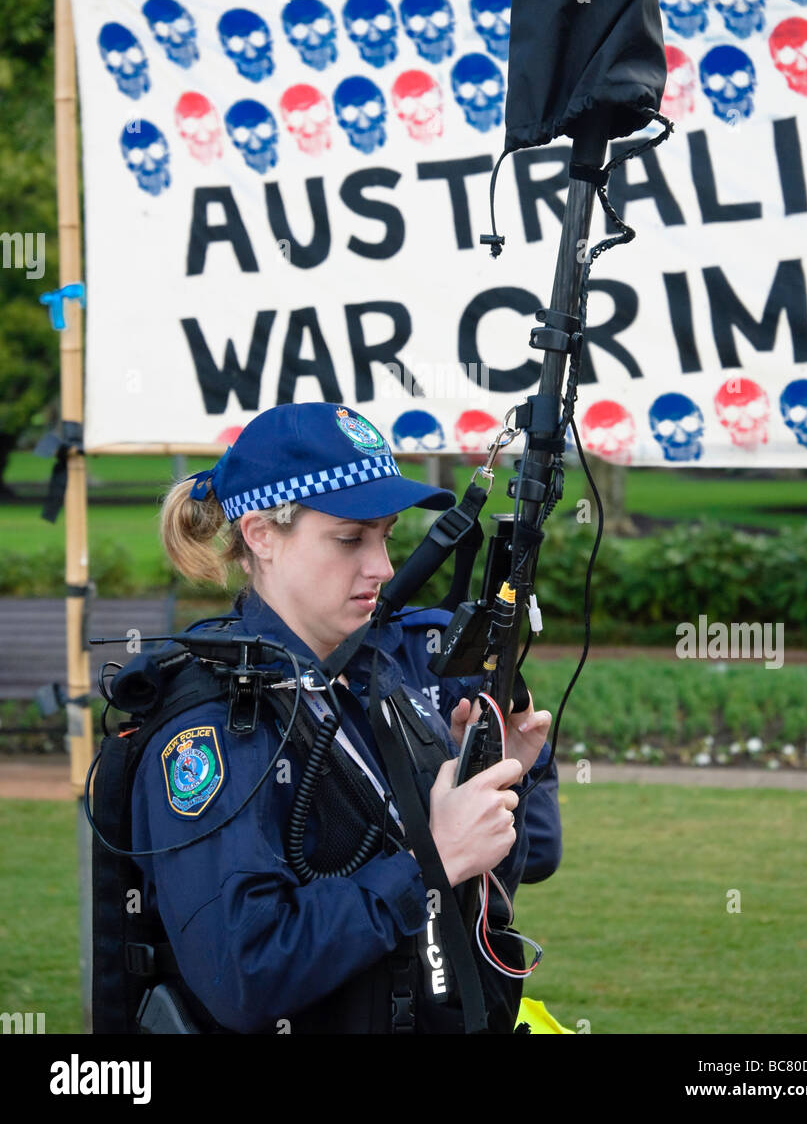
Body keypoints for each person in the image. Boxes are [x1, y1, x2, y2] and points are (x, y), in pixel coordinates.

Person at [127, 401, 561, 1035]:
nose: (383, 568)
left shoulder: (373, 680)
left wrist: (491, 778)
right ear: (261, 535)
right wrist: (430, 857)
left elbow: (503, 879)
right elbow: (245, 974)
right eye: (349, 538)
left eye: (384, 535)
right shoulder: (217, 724)